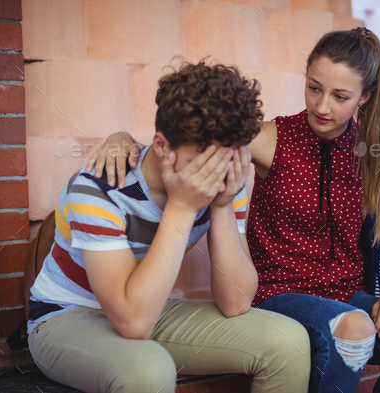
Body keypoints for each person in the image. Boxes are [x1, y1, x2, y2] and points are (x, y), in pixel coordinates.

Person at [90, 28, 380, 393]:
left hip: (349, 294)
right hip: (279, 292)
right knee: (354, 330)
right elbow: (190, 138)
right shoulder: (269, 138)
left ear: (365, 97)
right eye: (314, 88)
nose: (322, 106)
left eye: (340, 96)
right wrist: (123, 139)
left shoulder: (373, 155)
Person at [27, 61, 311, 393]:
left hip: (150, 306)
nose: (216, 172)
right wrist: (181, 206)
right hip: (67, 317)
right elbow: (133, 322)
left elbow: (236, 303)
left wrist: (221, 207)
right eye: (204, 160)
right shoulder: (99, 188)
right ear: (163, 146)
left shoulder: (224, 177)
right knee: (148, 369)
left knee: (288, 341)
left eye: (230, 157)